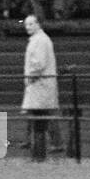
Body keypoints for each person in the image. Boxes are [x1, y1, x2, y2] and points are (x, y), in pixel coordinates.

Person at [22, 14, 64, 153]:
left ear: (38, 24)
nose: (28, 27)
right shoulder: (39, 39)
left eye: (31, 24)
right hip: (39, 82)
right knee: (39, 111)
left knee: (45, 113)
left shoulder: (40, 41)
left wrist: (31, 77)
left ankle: (53, 142)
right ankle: (33, 139)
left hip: (40, 81)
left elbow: (39, 63)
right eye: (27, 24)